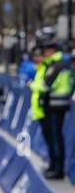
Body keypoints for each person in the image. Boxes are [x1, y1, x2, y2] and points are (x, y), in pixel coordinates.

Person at [31, 39, 73, 179]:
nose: (44, 53)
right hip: (54, 104)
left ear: (52, 50)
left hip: (56, 105)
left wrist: (32, 85)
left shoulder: (57, 65)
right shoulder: (54, 63)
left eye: (46, 50)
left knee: (55, 137)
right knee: (52, 137)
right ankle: (54, 166)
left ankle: (58, 169)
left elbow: (46, 85)